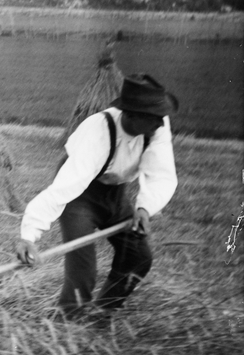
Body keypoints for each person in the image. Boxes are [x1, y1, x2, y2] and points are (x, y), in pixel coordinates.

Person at [15, 73, 179, 317]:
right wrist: (29, 235)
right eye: (153, 118)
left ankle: (101, 315)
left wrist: (145, 208)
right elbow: (64, 188)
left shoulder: (157, 126)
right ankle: (67, 323)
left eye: (160, 117)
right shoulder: (97, 133)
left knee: (138, 257)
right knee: (83, 271)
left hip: (115, 192)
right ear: (131, 114)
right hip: (81, 195)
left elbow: (161, 174)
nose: (160, 123)